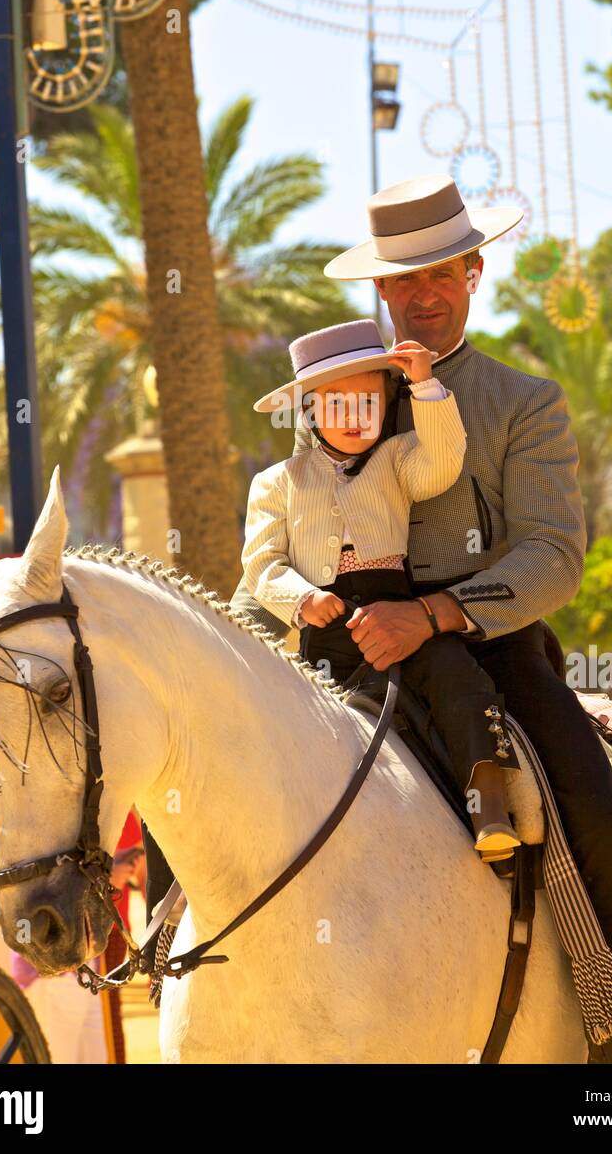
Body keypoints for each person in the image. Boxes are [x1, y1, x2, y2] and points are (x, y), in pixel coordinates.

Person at [226, 173, 612, 1061]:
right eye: (404, 279)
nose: (423, 294)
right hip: (334, 651)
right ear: (381, 291)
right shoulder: (332, 394)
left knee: (586, 798)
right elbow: (277, 542)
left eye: (443, 273)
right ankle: (170, 955)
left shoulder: (526, 404)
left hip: (493, 653)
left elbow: (553, 556)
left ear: (476, 272)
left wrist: (433, 614)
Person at [241, 319, 521, 860]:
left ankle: (489, 803)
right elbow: (261, 563)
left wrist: (426, 388)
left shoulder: (396, 461)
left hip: (398, 610)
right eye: (336, 404)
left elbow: (442, 463)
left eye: (367, 404)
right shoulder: (276, 482)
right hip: (325, 626)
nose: (353, 418)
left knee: (456, 673)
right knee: (293, 712)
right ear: (309, 412)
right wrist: (300, 599)